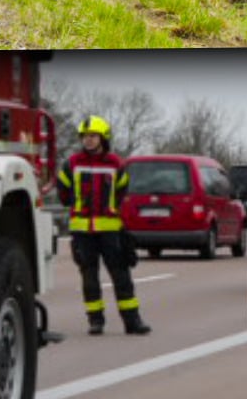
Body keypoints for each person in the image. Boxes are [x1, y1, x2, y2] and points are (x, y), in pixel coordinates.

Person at [56, 115, 151, 336]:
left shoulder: (116, 163)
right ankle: (95, 322)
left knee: (121, 276)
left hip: (110, 230)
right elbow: (63, 192)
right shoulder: (71, 163)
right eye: (84, 136)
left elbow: (121, 193)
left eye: (92, 136)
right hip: (82, 231)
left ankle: (132, 322)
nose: (88, 140)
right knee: (89, 279)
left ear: (103, 137)